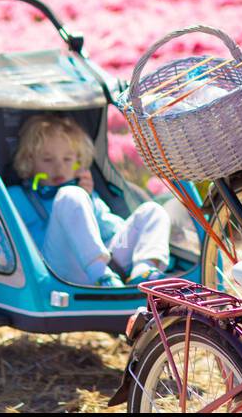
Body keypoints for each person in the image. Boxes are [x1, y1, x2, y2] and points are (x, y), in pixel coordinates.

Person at [9, 113, 171, 287]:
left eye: (67, 159)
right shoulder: (17, 197)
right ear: (29, 161)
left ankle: (144, 270)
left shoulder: (83, 194)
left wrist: (89, 201)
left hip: (105, 264)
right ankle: (101, 275)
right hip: (56, 270)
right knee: (70, 196)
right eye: (48, 160)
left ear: (78, 162)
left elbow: (111, 231)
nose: (59, 167)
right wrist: (72, 204)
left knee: (153, 211)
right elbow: (20, 247)